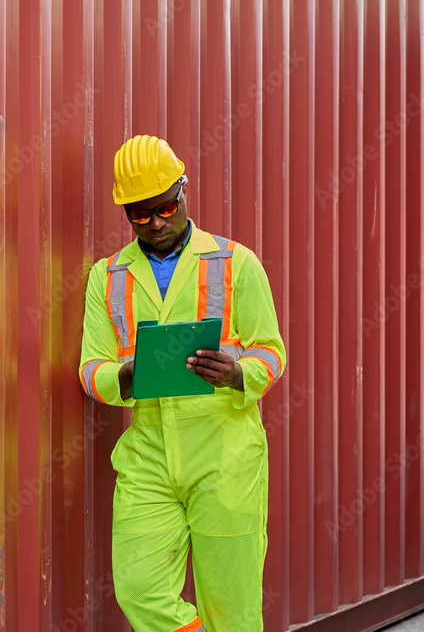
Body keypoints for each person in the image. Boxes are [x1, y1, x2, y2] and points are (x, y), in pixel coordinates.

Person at [78, 135, 286, 631]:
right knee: (140, 589)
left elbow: (272, 352)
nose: (157, 223)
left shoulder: (236, 262)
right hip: (148, 455)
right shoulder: (107, 277)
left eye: (167, 207)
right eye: (140, 215)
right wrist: (123, 378)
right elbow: (91, 367)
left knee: (230, 608)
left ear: (184, 189)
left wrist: (238, 373)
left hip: (226, 456)